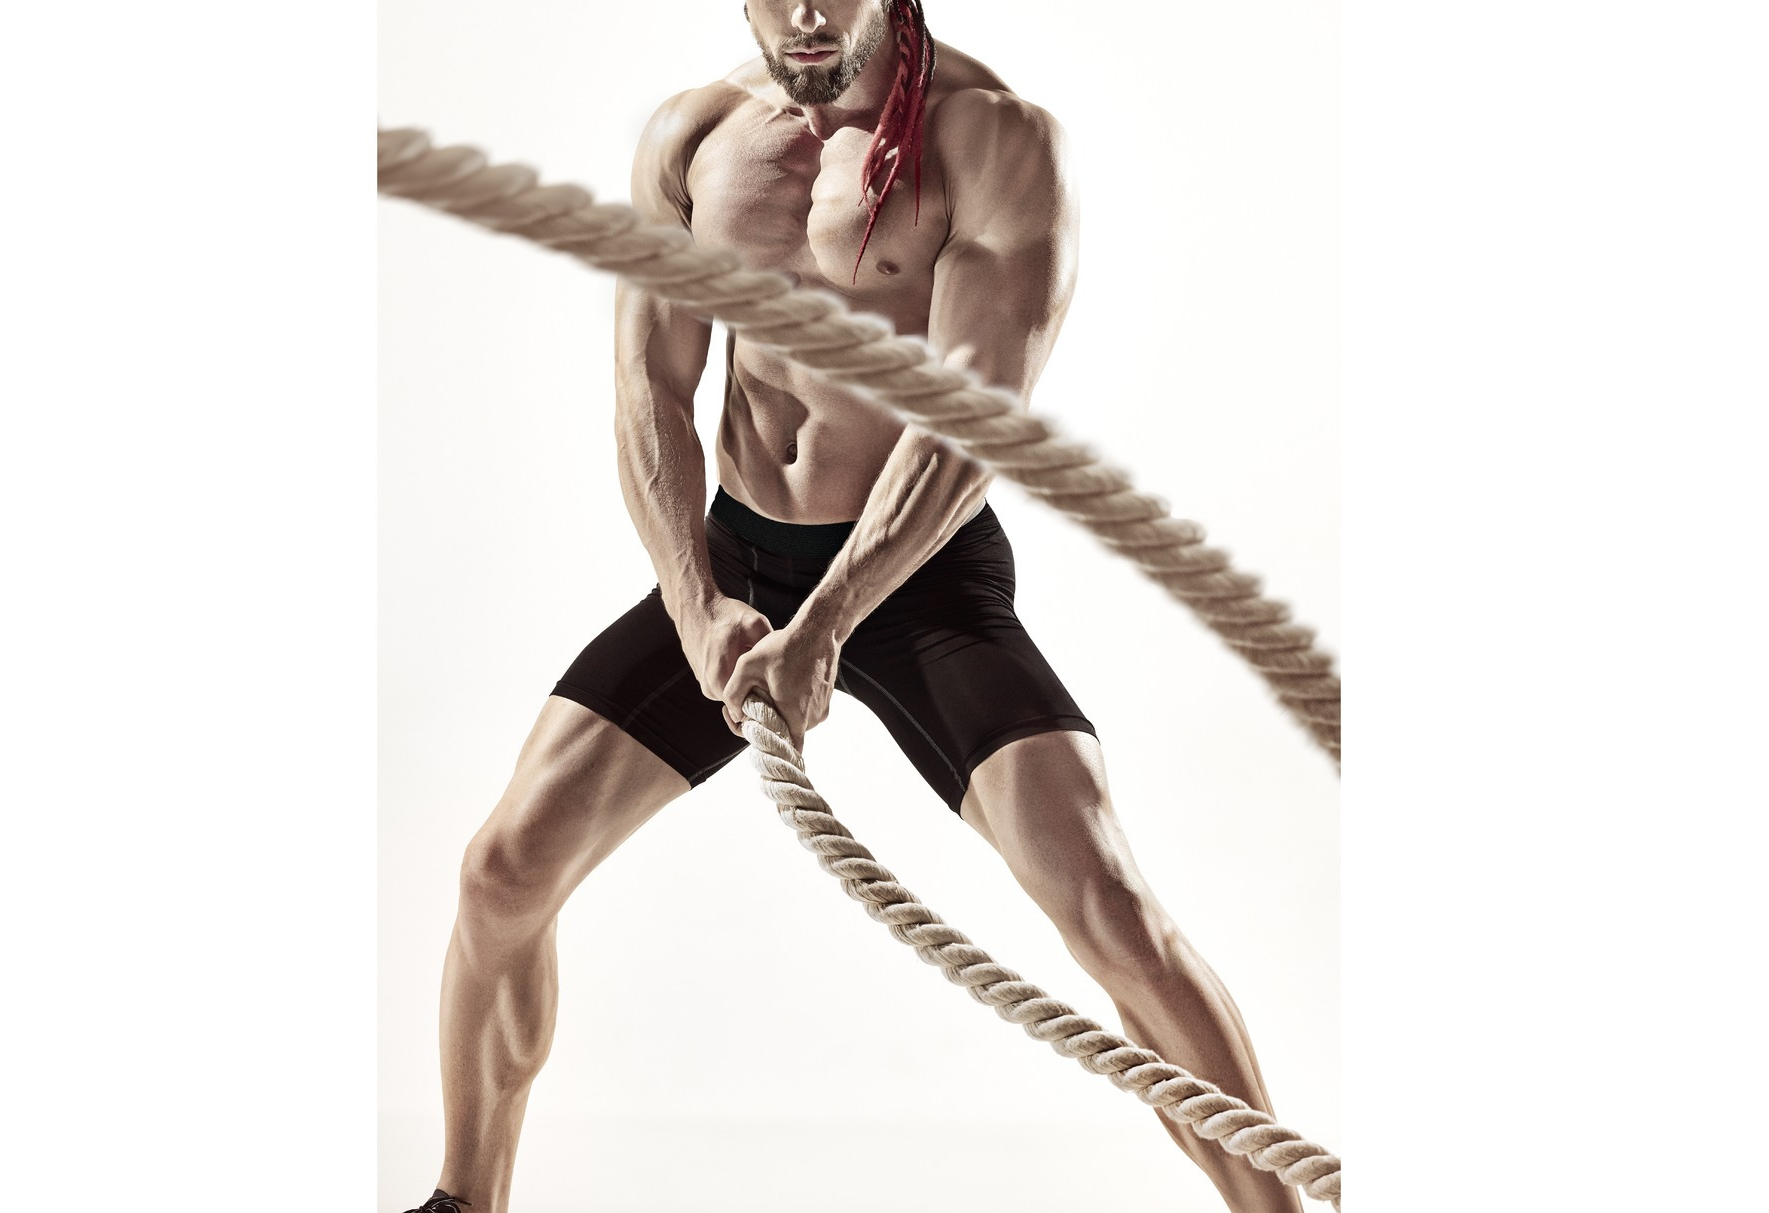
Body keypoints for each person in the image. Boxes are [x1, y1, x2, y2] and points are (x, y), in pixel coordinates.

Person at [404, 3, 1300, 1211]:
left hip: (919, 570)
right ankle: (467, 1201)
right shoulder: (694, 136)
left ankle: (1275, 1205)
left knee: (1110, 910)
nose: (810, 10)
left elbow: (972, 421)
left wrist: (827, 622)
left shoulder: (990, 141)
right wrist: (695, 600)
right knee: (501, 873)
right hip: (732, 563)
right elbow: (649, 388)